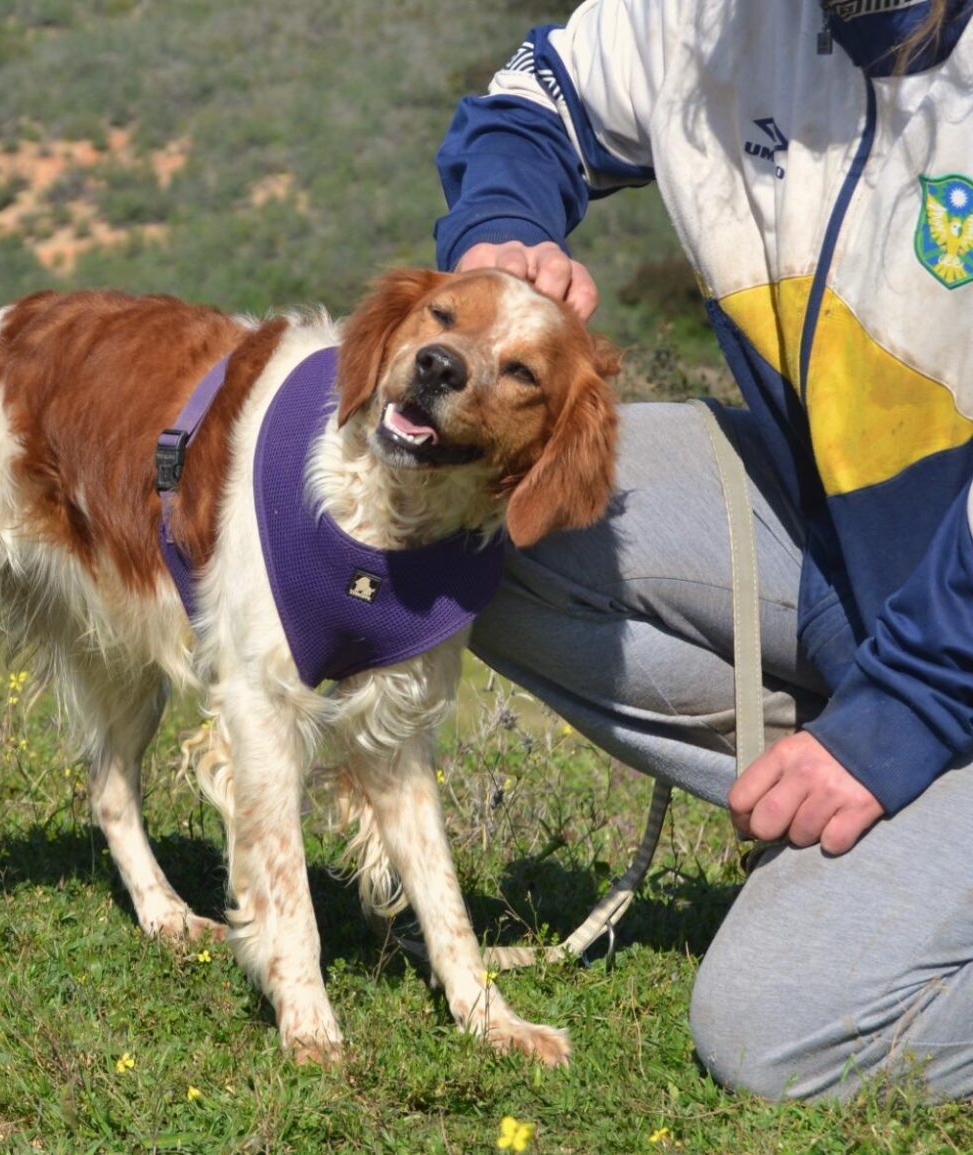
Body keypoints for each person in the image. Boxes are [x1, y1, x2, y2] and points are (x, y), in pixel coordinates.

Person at [434, 0, 973, 1100]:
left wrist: (914, 701)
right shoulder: (714, 12)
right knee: (469, 506)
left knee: (774, 1032)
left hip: (945, 635)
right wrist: (503, 227)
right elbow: (538, 96)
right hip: (848, 560)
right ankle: (861, 789)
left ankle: (893, 782)